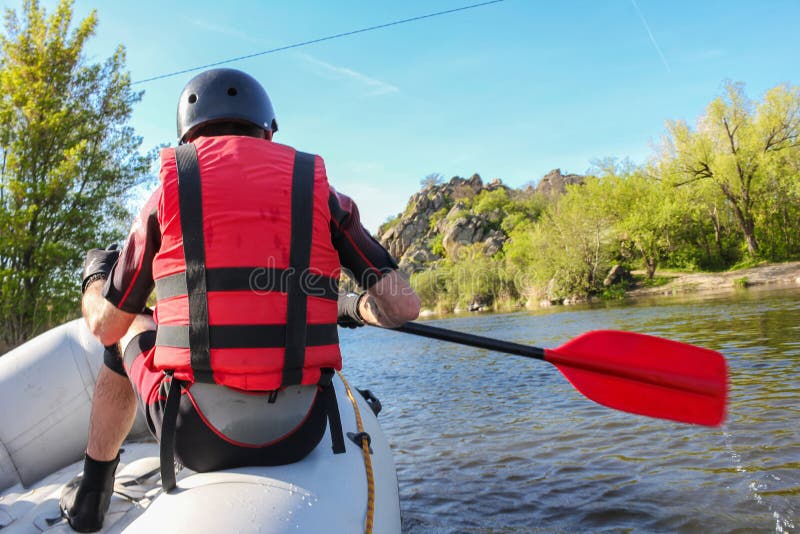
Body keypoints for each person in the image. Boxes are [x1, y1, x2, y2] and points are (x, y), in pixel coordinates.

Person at [60, 68, 420, 532]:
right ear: (267, 129)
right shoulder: (323, 195)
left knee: (127, 327)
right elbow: (402, 307)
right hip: (302, 430)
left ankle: (92, 496)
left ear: (187, 135)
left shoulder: (164, 197)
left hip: (198, 437)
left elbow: (106, 325)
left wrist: (94, 280)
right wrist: (353, 306)